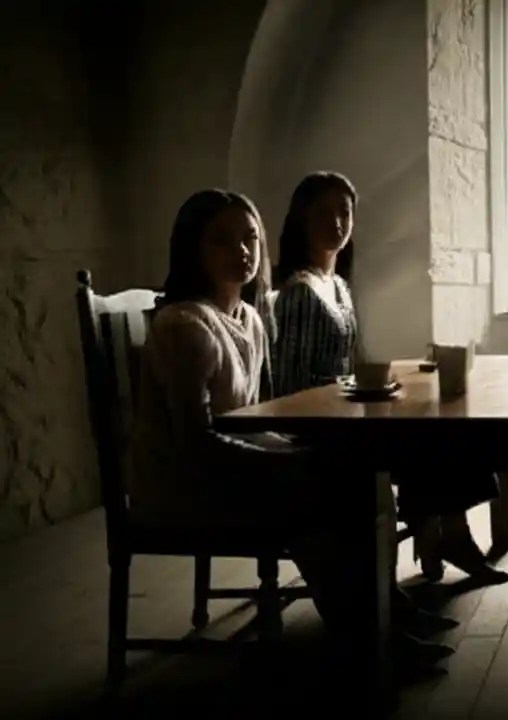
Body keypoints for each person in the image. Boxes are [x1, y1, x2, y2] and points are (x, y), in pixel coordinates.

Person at [127, 188, 452, 671]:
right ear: (192, 247)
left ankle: (382, 617)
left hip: (234, 465)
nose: (241, 251)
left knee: (354, 476)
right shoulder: (185, 327)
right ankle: (366, 636)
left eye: (250, 239)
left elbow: (259, 418)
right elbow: (193, 446)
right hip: (188, 483)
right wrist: (293, 462)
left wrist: (299, 455)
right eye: (222, 240)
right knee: (323, 492)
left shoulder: (250, 319)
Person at [270, 171, 506, 587]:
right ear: (301, 220)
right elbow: (292, 388)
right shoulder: (300, 292)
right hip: (319, 430)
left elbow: (351, 363)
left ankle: (446, 534)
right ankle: (437, 538)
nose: (337, 223)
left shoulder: (337, 285)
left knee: (447, 427)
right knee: (427, 438)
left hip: (344, 414)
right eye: (324, 213)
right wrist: (358, 392)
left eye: (344, 212)